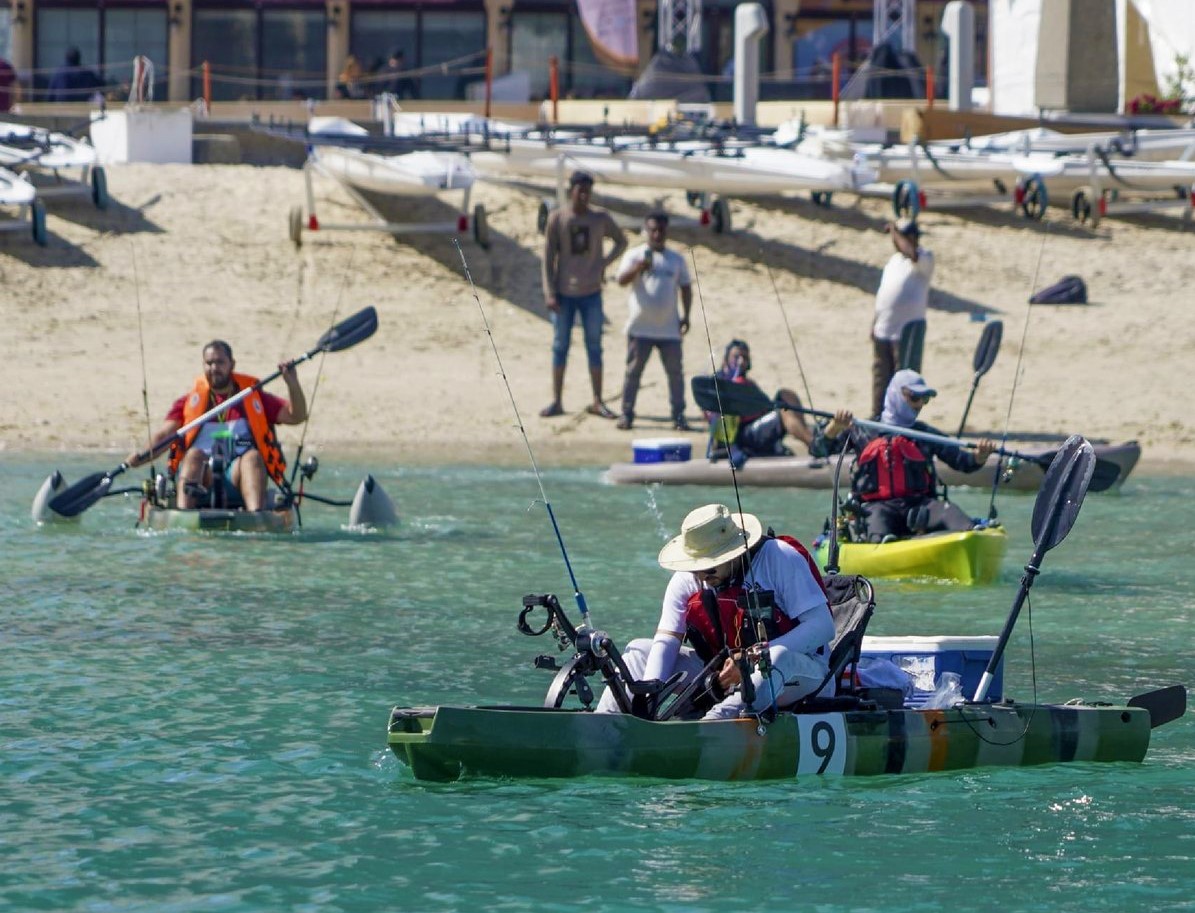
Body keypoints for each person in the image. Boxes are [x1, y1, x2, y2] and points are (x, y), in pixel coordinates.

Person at [596, 503, 835, 719]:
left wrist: (753, 660)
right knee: (638, 652)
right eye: (695, 568)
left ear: (734, 553)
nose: (701, 576)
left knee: (775, 658)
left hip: (800, 673)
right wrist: (648, 695)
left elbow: (822, 627)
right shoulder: (688, 579)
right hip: (721, 677)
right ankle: (604, 724)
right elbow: (667, 642)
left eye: (708, 568)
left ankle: (712, 725)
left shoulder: (780, 558)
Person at [811, 369, 995, 542]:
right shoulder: (863, 431)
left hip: (921, 506)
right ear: (895, 396)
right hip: (876, 507)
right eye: (914, 397)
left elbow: (963, 462)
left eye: (925, 399)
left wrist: (980, 456)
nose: (919, 405)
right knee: (877, 528)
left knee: (953, 515)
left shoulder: (924, 434)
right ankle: (881, 544)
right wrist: (835, 427)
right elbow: (819, 449)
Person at [127, 341, 308, 511]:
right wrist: (141, 456)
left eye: (220, 362)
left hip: (240, 475)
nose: (214, 368)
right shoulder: (188, 402)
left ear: (232, 364)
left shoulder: (253, 397)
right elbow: (164, 435)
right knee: (193, 455)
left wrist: (293, 384)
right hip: (202, 479)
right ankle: (184, 514)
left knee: (253, 457)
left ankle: (256, 517)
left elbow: (296, 416)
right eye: (209, 363)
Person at [540, 170, 628, 419]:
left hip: (591, 293)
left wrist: (604, 262)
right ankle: (557, 400)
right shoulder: (558, 219)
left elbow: (621, 241)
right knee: (560, 347)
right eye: (580, 191)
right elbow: (547, 259)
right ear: (572, 191)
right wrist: (549, 292)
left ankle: (598, 400)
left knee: (594, 346)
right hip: (564, 292)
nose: (584, 196)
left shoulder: (600, 218)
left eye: (588, 192)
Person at [613, 211, 693, 431]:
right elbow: (620, 280)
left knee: (675, 374)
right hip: (640, 328)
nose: (657, 235)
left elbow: (686, 287)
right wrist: (638, 268)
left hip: (669, 329)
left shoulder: (676, 259)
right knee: (633, 372)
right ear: (646, 231)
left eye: (661, 230)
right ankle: (626, 413)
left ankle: (678, 415)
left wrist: (686, 315)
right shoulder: (635, 255)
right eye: (653, 230)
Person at [704, 339, 813, 461]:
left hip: (756, 432)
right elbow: (714, 417)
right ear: (725, 360)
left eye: (744, 358)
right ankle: (813, 444)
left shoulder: (748, 384)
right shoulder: (719, 383)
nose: (741, 361)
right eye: (736, 357)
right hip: (741, 440)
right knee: (783, 411)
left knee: (786, 394)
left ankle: (813, 437)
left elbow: (765, 407)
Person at [871, 217, 934, 420]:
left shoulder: (924, 259)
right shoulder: (894, 261)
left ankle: (903, 419)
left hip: (906, 332)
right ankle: (877, 417)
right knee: (881, 378)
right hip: (884, 329)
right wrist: (875, 322)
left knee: (904, 381)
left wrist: (896, 232)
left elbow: (911, 252)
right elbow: (884, 293)